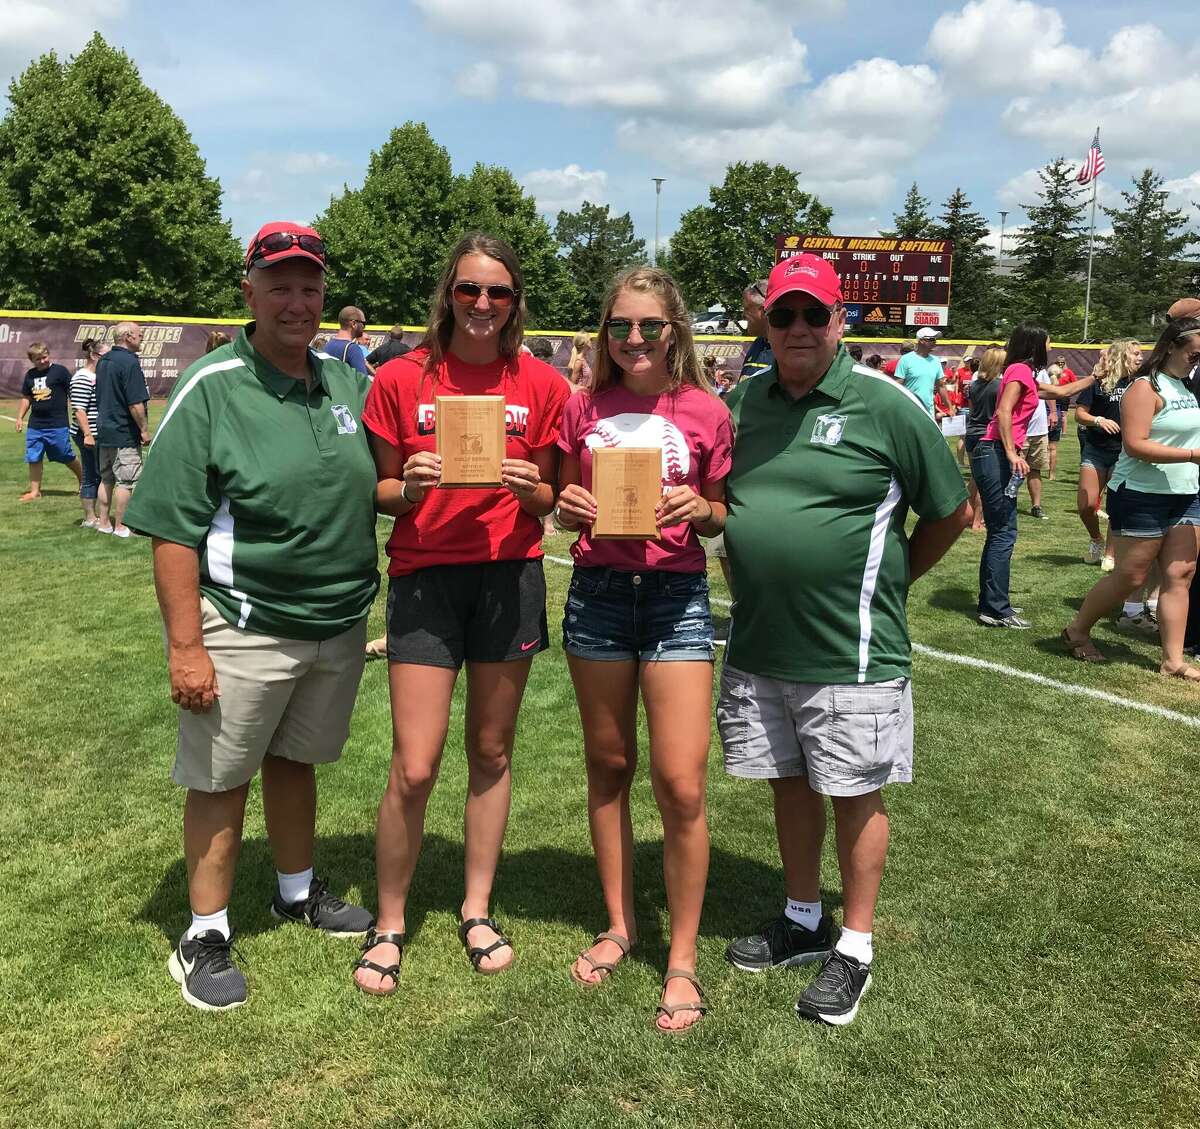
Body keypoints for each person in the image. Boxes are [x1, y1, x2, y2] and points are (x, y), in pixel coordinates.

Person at [124, 220, 379, 1011]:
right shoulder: (214, 383)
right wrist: (186, 647)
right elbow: (171, 526)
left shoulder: (347, 382)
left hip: (333, 623)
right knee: (221, 775)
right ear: (250, 293)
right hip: (247, 618)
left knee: (295, 760)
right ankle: (203, 930)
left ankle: (295, 891)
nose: (297, 303)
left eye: (310, 287)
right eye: (281, 287)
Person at [717, 253, 970, 1027]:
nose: (796, 329)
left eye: (812, 314)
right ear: (765, 320)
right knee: (788, 782)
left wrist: (890, 584)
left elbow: (951, 512)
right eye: (783, 315)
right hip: (760, 642)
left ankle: (854, 946)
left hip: (852, 650)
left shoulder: (886, 404)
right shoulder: (743, 402)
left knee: (855, 791)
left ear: (840, 321)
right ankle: (802, 918)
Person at [354, 233, 569, 995]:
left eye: (498, 293)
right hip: (425, 577)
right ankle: (389, 921)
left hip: (509, 574)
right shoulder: (398, 377)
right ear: (448, 292)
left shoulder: (541, 382)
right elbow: (376, 491)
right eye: (470, 289)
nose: (483, 305)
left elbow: (552, 498)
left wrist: (527, 489)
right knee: (414, 764)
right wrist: (406, 487)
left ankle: (476, 906)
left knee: (492, 751)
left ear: (515, 302)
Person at [554, 266, 731, 1033]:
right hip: (598, 597)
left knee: (682, 781)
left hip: (674, 599)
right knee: (610, 765)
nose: (634, 339)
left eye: (649, 326)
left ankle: (682, 955)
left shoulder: (704, 410)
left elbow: (722, 511)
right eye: (620, 325)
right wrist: (564, 505)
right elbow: (561, 505)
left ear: (675, 330)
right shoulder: (581, 405)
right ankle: (622, 924)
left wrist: (703, 507)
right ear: (605, 330)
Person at [1062, 318, 1200, 678]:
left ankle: (1173, 661)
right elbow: (1136, 445)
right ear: (1170, 347)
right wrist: (1192, 456)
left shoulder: (1184, 386)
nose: (1195, 361)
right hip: (1140, 493)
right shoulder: (1145, 387)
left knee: (1181, 574)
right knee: (1131, 577)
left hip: (1185, 493)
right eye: (1193, 354)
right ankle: (1078, 630)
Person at [971, 326, 1095, 628]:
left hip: (998, 453)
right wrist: (1013, 454)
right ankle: (996, 608)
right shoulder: (1017, 370)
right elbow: (1003, 412)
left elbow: (1063, 392)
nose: (1051, 345)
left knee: (1001, 531)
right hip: (996, 453)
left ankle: (992, 603)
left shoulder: (1024, 372)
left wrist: (1096, 377)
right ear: (1035, 344)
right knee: (1003, 532)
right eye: (1047, 340)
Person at [1076, 340, 1142, 567]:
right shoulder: (1099, 382)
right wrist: (1098, 420)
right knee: (1085, 505)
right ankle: (1096, 538)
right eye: (1136, 353)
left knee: (1116, 505)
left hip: (1123, 453)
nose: (1140, 358)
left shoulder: (1139, 383)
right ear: (1123, 356)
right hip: (1095, 450)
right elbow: (1080, 414)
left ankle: (1110, 554)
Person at [94, 321, 150, 538]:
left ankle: (104, 522)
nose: (142, 336)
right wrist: (144, 430)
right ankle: (121, 526)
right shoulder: (129, 362)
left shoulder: (104, 360)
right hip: (123, 430)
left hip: (104, 428)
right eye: (138, 333)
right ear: (128, 336)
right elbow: (135, 403)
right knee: (126, 481)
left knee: (106, 478)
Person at [15, 343, 82, 503]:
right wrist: (20, 417)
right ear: (32, 360)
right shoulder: (30, 375)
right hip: (35, 425)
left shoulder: (60, 371)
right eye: (38, 359)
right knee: (34, 457)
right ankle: (35, 491)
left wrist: (79, 412)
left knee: (64, 454)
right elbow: (26, 398)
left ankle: (84, 480)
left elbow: (73, 393)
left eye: (44, 357)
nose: (43, 361)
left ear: (48, 355)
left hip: (57, 424)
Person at [964, 346, 1006, 533]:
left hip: (972, 433)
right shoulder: (999, 386)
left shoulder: (973, 385)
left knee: (975, 479)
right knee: (985, 482)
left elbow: (972, 411)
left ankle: (965, 516)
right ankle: (977, 521)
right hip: (987, 436)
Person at [70, 338, 106, 526]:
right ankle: (90, 518)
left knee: (100, 474)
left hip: (98, 433)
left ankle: (100, 517)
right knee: (91, 475)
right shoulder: (82, 377)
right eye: (106, 356)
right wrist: (88, 435)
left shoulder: (97, 377)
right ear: (94, 355)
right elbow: (79, 409)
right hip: (88, 434)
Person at [894, 328, 944, 414]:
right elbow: (898, 385)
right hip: (909, 410)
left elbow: (941, 386)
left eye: (935, 339)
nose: (934, 342)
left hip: (928, 411)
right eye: (931, 339)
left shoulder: (936, 361)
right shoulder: (906, 359)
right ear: (921, 341)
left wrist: (950, 408)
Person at [739, 279, 774, 381]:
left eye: (747, 308)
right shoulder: (758, 344)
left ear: (764, 311)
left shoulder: (786, 352)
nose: (743, 315)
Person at [323, 306, 371, 375]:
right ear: (353, 324)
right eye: (363, 323)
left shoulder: (327, 345)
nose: (364, 327)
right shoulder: (353, 349)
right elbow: (363, 382)